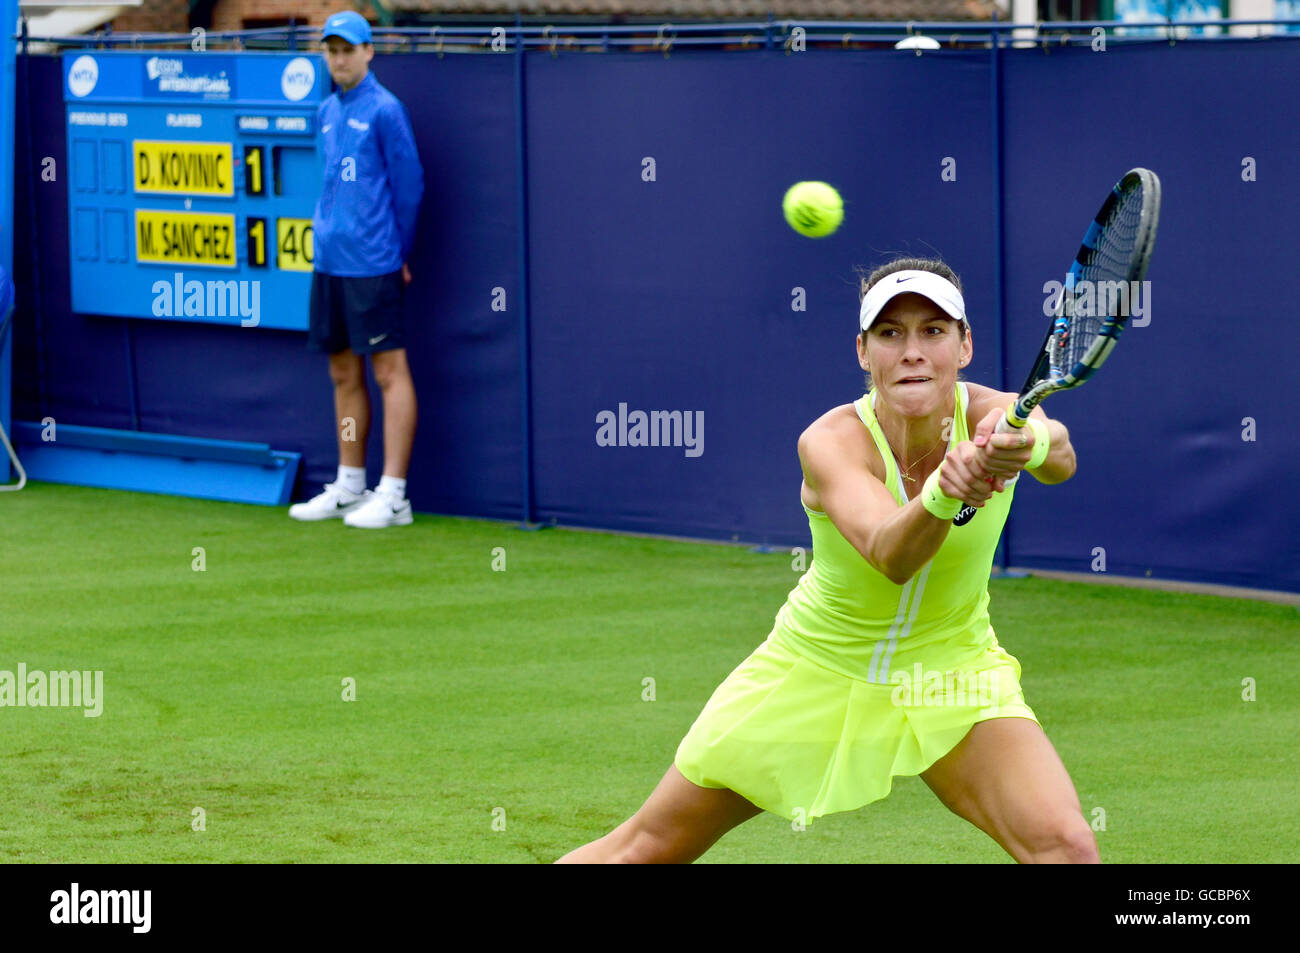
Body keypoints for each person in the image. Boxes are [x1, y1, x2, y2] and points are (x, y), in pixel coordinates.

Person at [556, 257, 1100, 864]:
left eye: (933, 331)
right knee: (645, 850)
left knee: (1067, 847)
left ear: (964, 345)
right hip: (817, 666)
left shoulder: (997, 414)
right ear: (863, 352)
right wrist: (945, 493)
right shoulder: (830, 441)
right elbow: (891, 554)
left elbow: (1061, 456)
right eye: (890, 334)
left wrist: (1030, 442)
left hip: (951, 670)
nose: (912, 352)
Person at [289, 10, 424, 528]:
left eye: (348, 49)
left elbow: (409, 188)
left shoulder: (387, 110)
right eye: (332, 50)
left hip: (374, 264)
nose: (339, 59)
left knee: (389, 372)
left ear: (368, 51)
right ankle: (350, 483)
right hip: (330, 263)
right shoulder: (325, 111)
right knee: (342, 373)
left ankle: (394, 495)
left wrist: (399, 253)